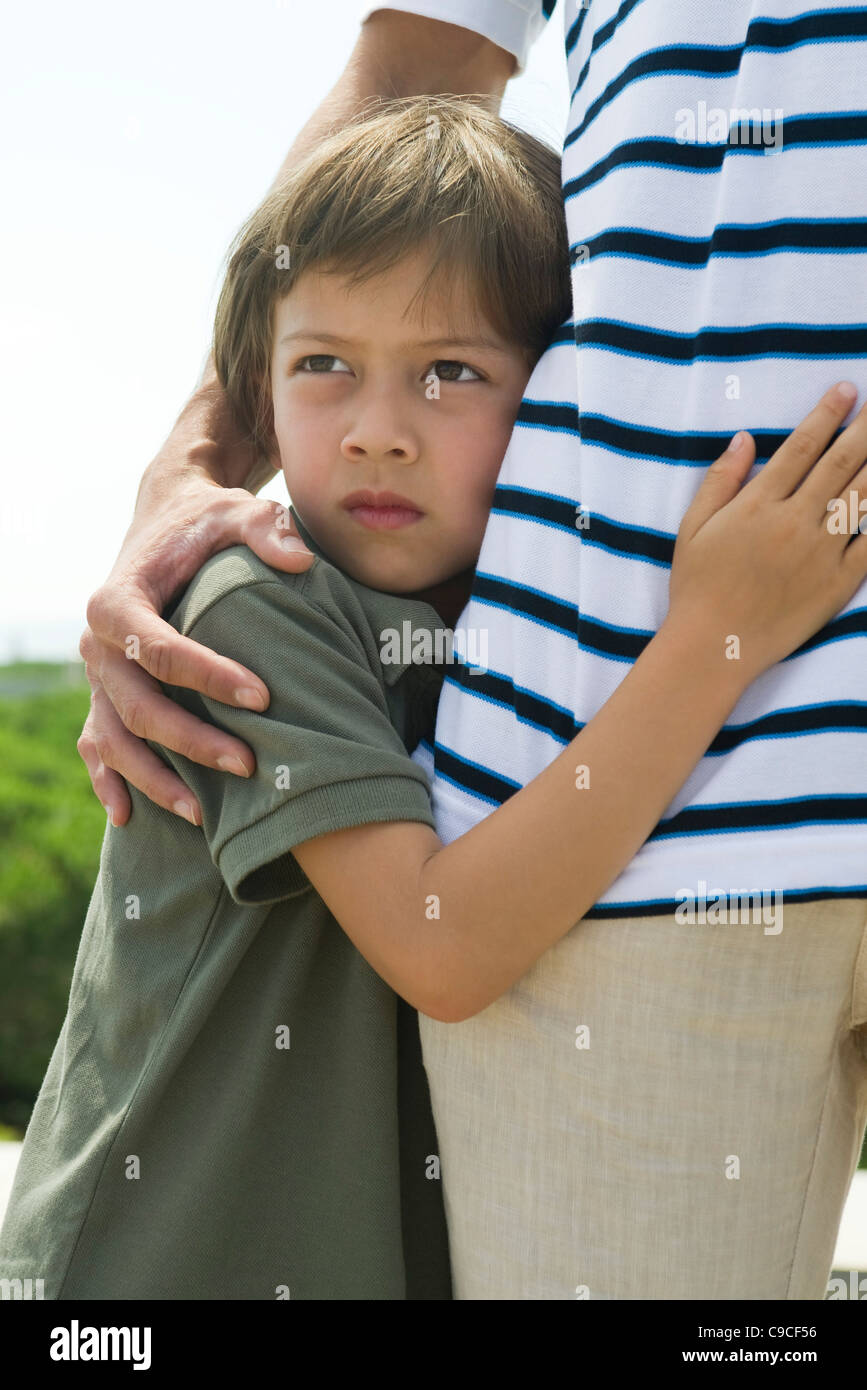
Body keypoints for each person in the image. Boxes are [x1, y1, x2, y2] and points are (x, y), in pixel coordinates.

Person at [73, 5, 867, 1299]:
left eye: (450, 371)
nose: (381, 430)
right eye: (323, 364)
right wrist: (720, 639)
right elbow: (442, 948)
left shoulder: (473, 605)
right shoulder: (256, 604)